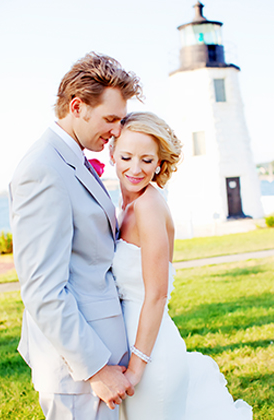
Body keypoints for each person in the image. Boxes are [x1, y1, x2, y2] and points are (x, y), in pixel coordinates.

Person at [9, 52, 142, 420]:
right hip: (77, 373)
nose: (116, 131)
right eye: (110, 119)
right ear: (78, 106)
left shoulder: (72, 158)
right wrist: (96, 369)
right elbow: (42, 288)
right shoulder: (43, 169)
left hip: (98, 356)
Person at [109, 111, 252, 419]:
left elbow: (157, 295)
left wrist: (136, 368)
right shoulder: (124, 206)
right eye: (127, 157)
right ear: (112, 154)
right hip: (128, 346)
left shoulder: (148, 206)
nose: (135, 168)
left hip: (151, 357)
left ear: (160, 163)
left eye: (147, 160)